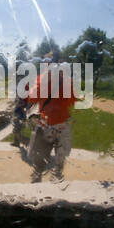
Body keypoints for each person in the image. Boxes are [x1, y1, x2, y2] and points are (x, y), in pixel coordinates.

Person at [26, 55, 77, 183]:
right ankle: (56, 174)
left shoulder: (41, 79)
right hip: (62, 123)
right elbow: (71, 101)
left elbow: (31, 98)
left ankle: (37, 174)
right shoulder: (66, 80)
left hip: (44, 122)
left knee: (40, 152)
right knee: (61, 152)